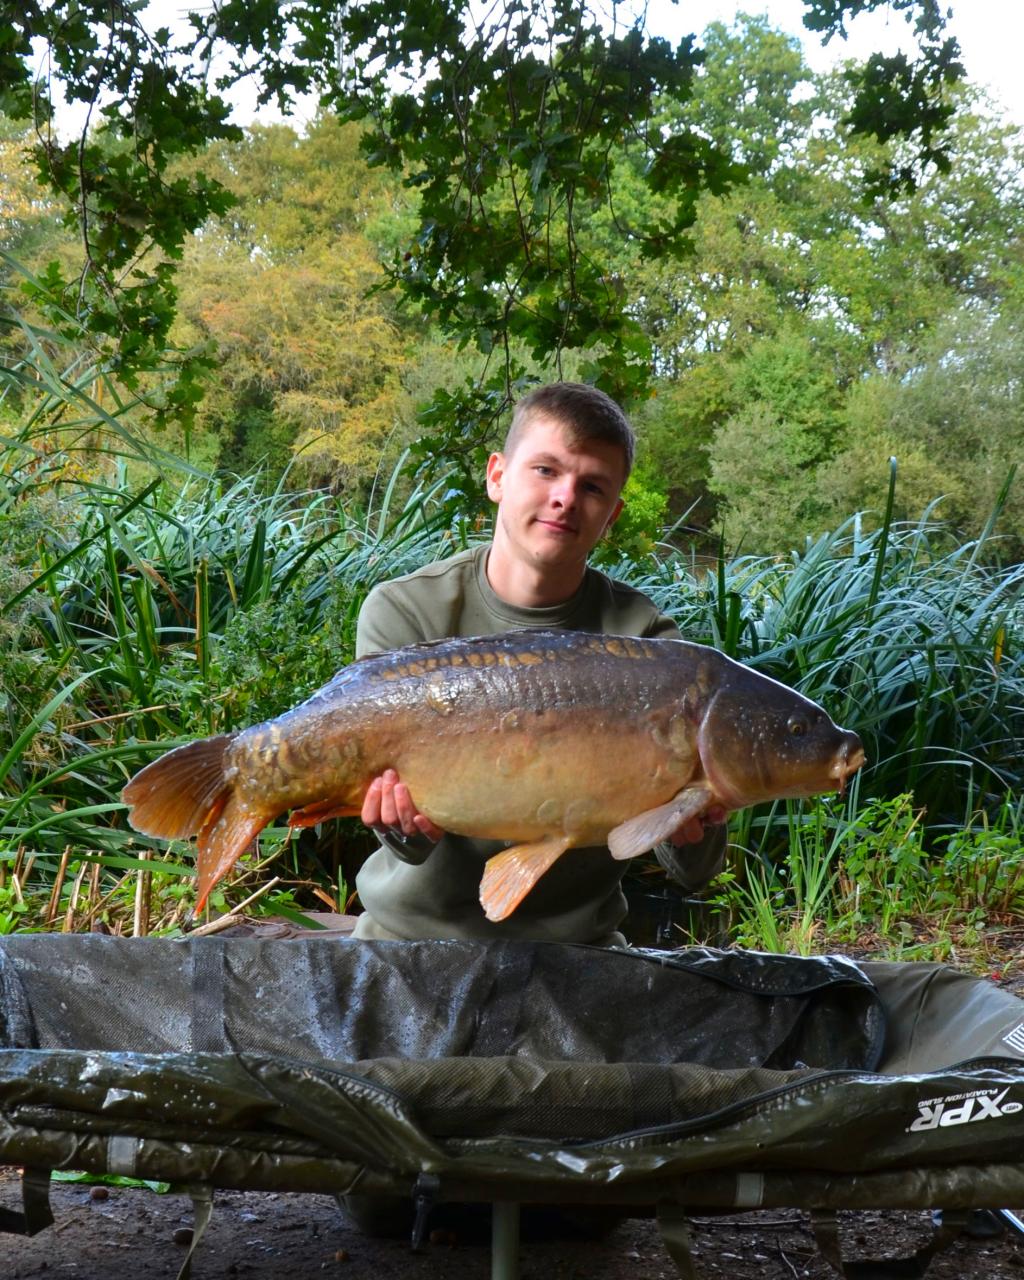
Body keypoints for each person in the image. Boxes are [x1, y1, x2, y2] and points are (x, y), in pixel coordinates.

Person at [350, 381, 727, 945]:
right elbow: (407, 842)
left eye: (592, 486)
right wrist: (397, 823)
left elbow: (693, 873)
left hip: (581, 952)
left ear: (612, 514)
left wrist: (691, 818)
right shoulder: (408, 610)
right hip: (409, 940)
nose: (566, 497)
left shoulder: (648, 642)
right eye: (546, 470)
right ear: (497, 476)